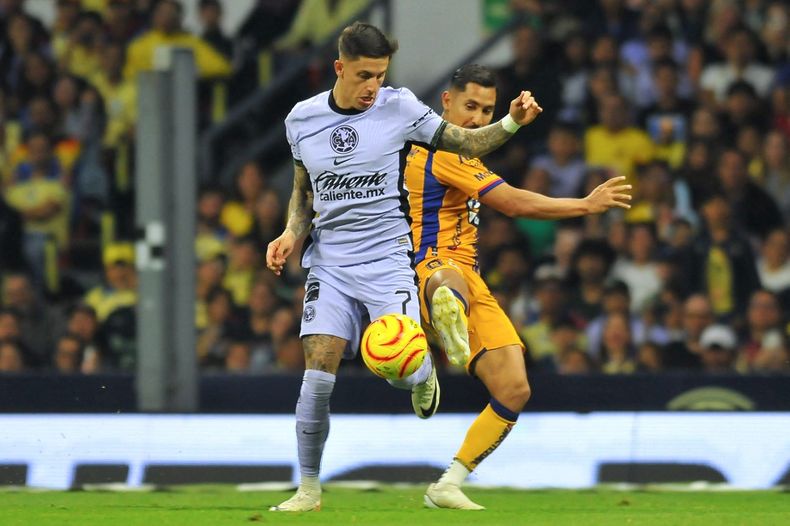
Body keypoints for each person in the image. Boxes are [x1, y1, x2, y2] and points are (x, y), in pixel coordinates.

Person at [265, 23, 544, 512]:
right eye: (365, 75)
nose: (374, 85)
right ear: (340, 69)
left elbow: (465, 142)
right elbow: (303, 191)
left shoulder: (400, 107)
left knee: (397, 362)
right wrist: (291, 233)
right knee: (317, 373)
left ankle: (421, 375)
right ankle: (308, 489)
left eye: (380, 74)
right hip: (329, 262)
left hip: (387, 258)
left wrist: (512, 124)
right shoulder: (301, 119)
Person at [404, 64, 630, 510]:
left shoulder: (464, 153)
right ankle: (428, 349)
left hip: (471, 275)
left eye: (486, 110)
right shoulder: (442, 150)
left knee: (513, 388)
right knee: (446, 281)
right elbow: (510, 202)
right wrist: (584, 206)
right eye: (469, 106)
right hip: (427, 265)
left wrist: (510, 123)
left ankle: (448, 483)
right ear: (445, 102)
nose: (476, 118)